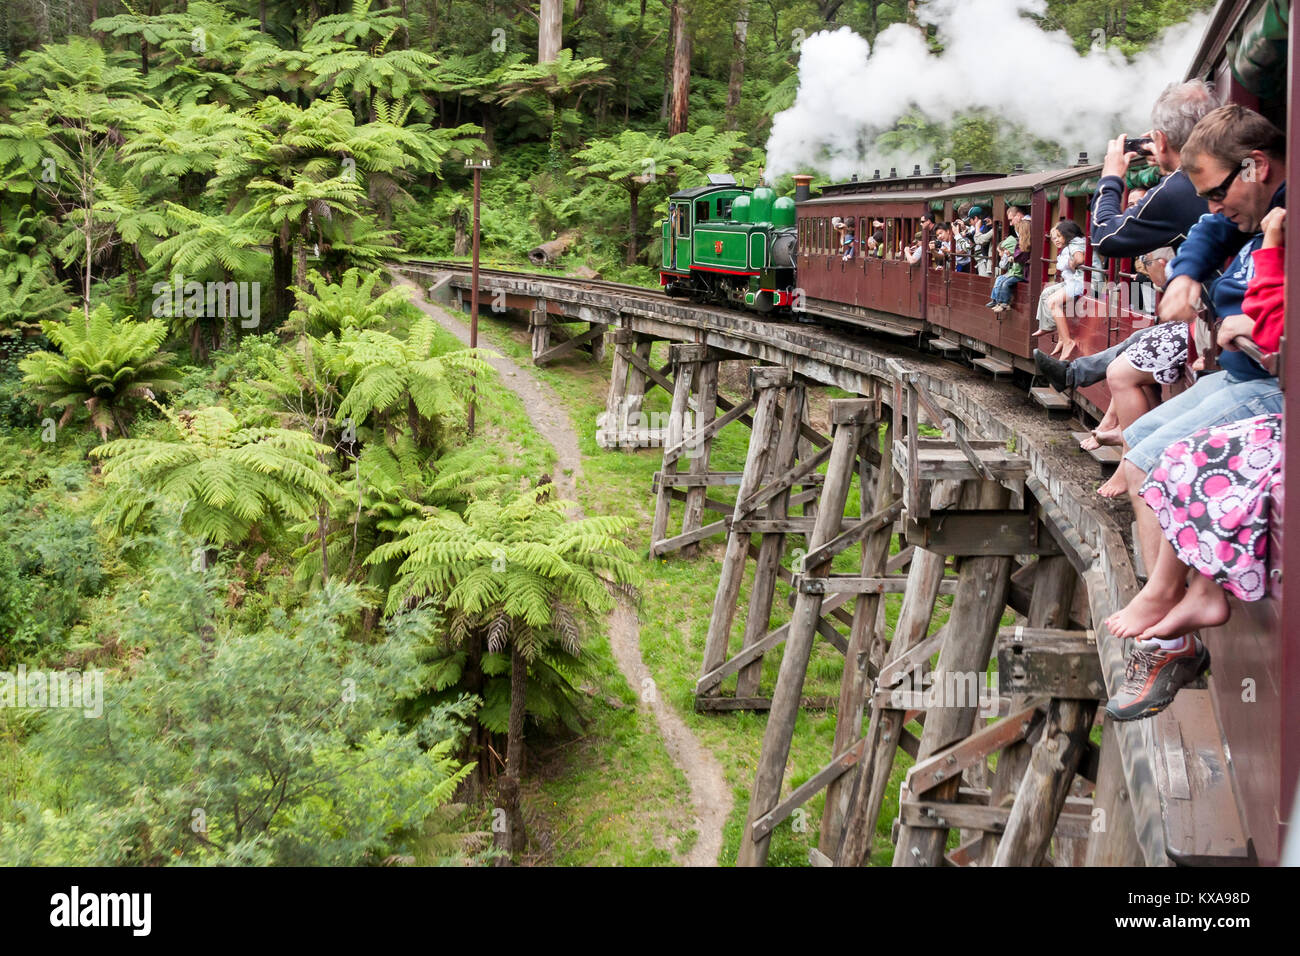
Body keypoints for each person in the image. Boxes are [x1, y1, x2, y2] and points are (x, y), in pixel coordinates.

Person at [1103, 107, 1286, 717]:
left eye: (1212, 193)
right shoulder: (1259, 204)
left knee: (1154, 456)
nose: (1208, 210)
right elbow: (1215, 236)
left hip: (1261, 378)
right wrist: (1186, 271)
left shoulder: (1277, 213)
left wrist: (1245, 328)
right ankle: (1173, 594)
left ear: (1254, 166)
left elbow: (1272, 319)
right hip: (1242, 371)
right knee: (1141, 445)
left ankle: (1170, 609)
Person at [1031, 220, 1087, 359]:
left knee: (1053, 302)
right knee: (1046, 293)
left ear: (1067, 235)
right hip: (1076, 280)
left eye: (1059, 236)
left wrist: (1071, 263)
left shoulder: (1075, 243)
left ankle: (1067, 341)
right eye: (1054, 238)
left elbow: (1079, 259)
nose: (1056, 240)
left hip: (1083, 282)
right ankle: (1056, 333)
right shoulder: (1073, 244)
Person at [986, 235, 1024, 311]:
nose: (1005, 252)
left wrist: (1011, 259)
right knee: (998, 279)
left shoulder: (1017, 256)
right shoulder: (1011, 255)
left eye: (1007, 249)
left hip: (1018, 275)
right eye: (1005, 250)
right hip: (1012, 273)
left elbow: (1006, 266)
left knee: (1004, 283)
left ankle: (1004, 303)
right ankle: (995, 300)